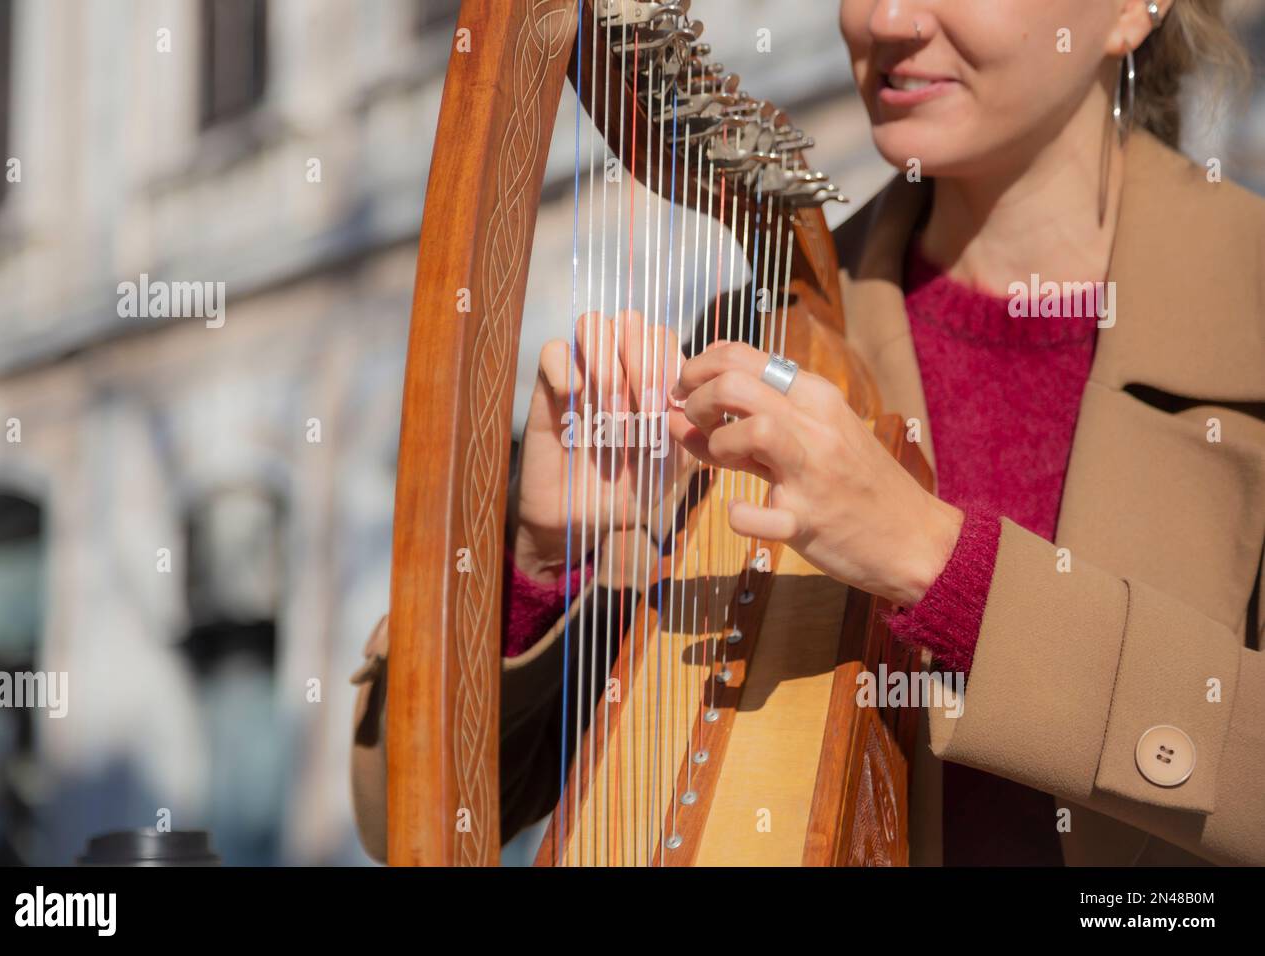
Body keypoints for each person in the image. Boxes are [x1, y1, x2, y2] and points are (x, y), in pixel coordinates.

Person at [354, 0, 1264, 865]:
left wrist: (941, 567)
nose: (890, 21)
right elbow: (407, 813)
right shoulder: (758, 348)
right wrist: (545, 568)